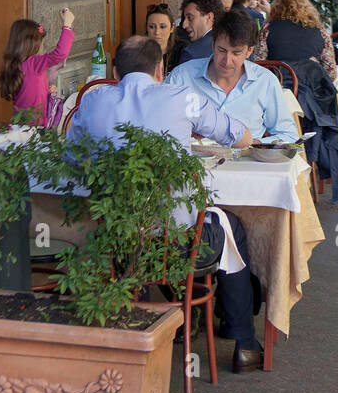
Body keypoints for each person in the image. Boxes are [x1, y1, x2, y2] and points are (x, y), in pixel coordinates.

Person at [67, 35, 264, 372]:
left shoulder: (93, 101)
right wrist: (255, 140)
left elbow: (72, 157)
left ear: (115, 71)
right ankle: (243, 339)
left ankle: (147, 318)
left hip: (114, 243)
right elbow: (236, 134)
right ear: (160, 69)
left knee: (159, 231)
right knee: (231, 228)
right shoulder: (182, 98)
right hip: (179, 246)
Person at [167, 7, 299, 143]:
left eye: (236, 53)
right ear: (213, 44)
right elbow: (158, 118)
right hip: (196, 161)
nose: (227, 61)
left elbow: (288, 135)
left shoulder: (265, 82)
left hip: (248, 162)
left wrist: (252, 144)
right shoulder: (182, 76)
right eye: (222, 50)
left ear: (249, 51)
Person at [0, 8, 75, 121]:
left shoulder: (19, 64)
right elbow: (60, 53)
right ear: (30, 44)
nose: (42, 47)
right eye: (41, 43)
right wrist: (67, 26)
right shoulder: (33, 63)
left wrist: (47, 89)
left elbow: (29, 90)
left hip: (22, 126)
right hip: (35, 129)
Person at [253, 0, 337, 80]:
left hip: (279, 85)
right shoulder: (320, 31)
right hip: (311, 88)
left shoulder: (268, 29)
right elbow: (330, 73)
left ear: (277, 6)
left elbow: (259, 62)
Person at [144, 1, 176, 74]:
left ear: (172, 28)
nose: (157, 32)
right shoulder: (139, 52)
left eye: (162, 27)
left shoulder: (182, 51)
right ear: (146, 28)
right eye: (152, 27)